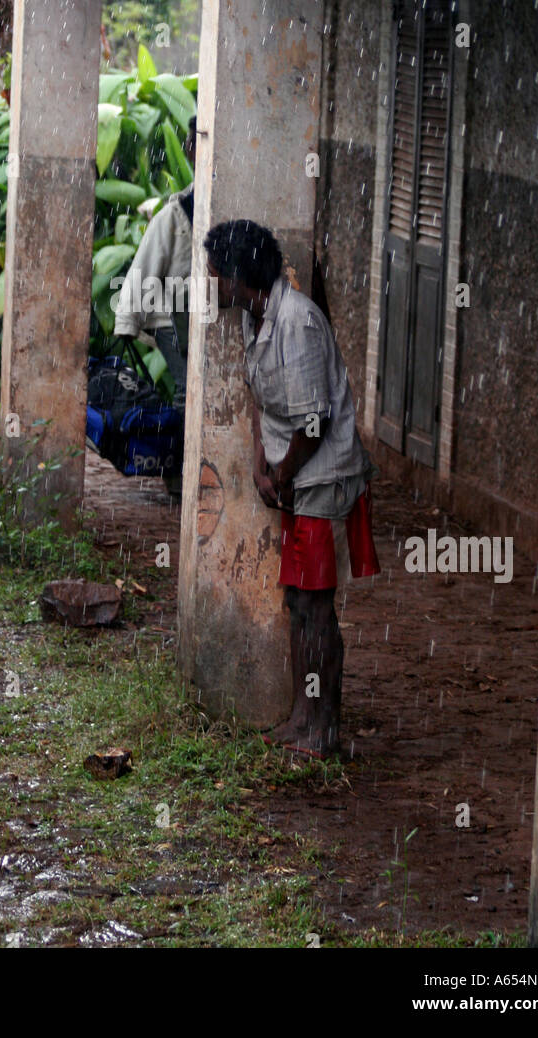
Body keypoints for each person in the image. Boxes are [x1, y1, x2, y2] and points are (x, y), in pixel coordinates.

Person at [203, 219, 381, 758]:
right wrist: (261, 461)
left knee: (315, 605)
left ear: (239, 276)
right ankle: (304, 717)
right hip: (294, 475)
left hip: (321, 474)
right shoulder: (253, 319)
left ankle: (324, 727)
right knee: (298, 604)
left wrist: (280, 475)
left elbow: (313, 423)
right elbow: (259, 399)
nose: (211, 283)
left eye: (217, 274)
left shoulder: (299, 322)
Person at [113, 118, 196, 490]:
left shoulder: (211, 204)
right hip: (170, 320)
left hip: (201, 316)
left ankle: (188, 468)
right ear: (192, 148)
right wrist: (127, 324)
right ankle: (178, 473)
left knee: (194, 393)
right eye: (193, 143)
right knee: (185, 390)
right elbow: (144, 267)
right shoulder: (175, 213)